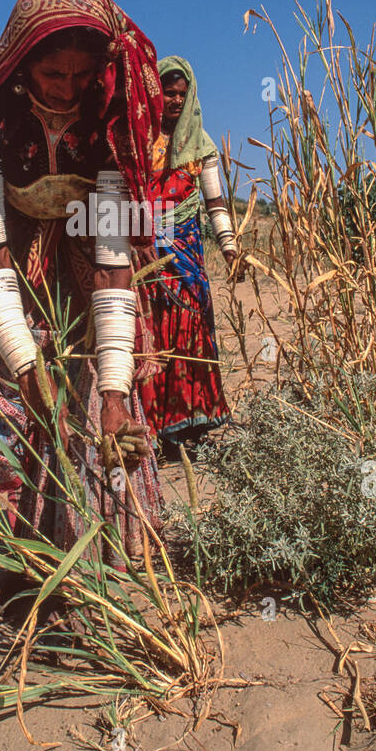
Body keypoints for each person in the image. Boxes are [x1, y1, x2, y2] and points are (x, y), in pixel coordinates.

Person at [0, 0, 164, 593]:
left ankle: (106, 561)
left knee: (98, 400)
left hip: (87, 250)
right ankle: (28, 568)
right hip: (16, 261)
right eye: (52, 76)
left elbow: (115, 256)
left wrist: (116, 391)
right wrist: (27, 367)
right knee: (21, 403)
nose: (67, 89)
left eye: (80, 75)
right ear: (21, 64)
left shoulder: (109, 117)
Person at [139, 56, 236, 455]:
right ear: (155, 94)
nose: (175, 101)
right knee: (154, 333)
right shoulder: (139, 141)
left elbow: (214, 202)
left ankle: (192, 427)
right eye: (168, 93)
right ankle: (157, 430)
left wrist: (228, 245)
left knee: (190, 331)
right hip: (147, 252)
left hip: (188, 256)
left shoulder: (201, 145)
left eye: (182, 94)